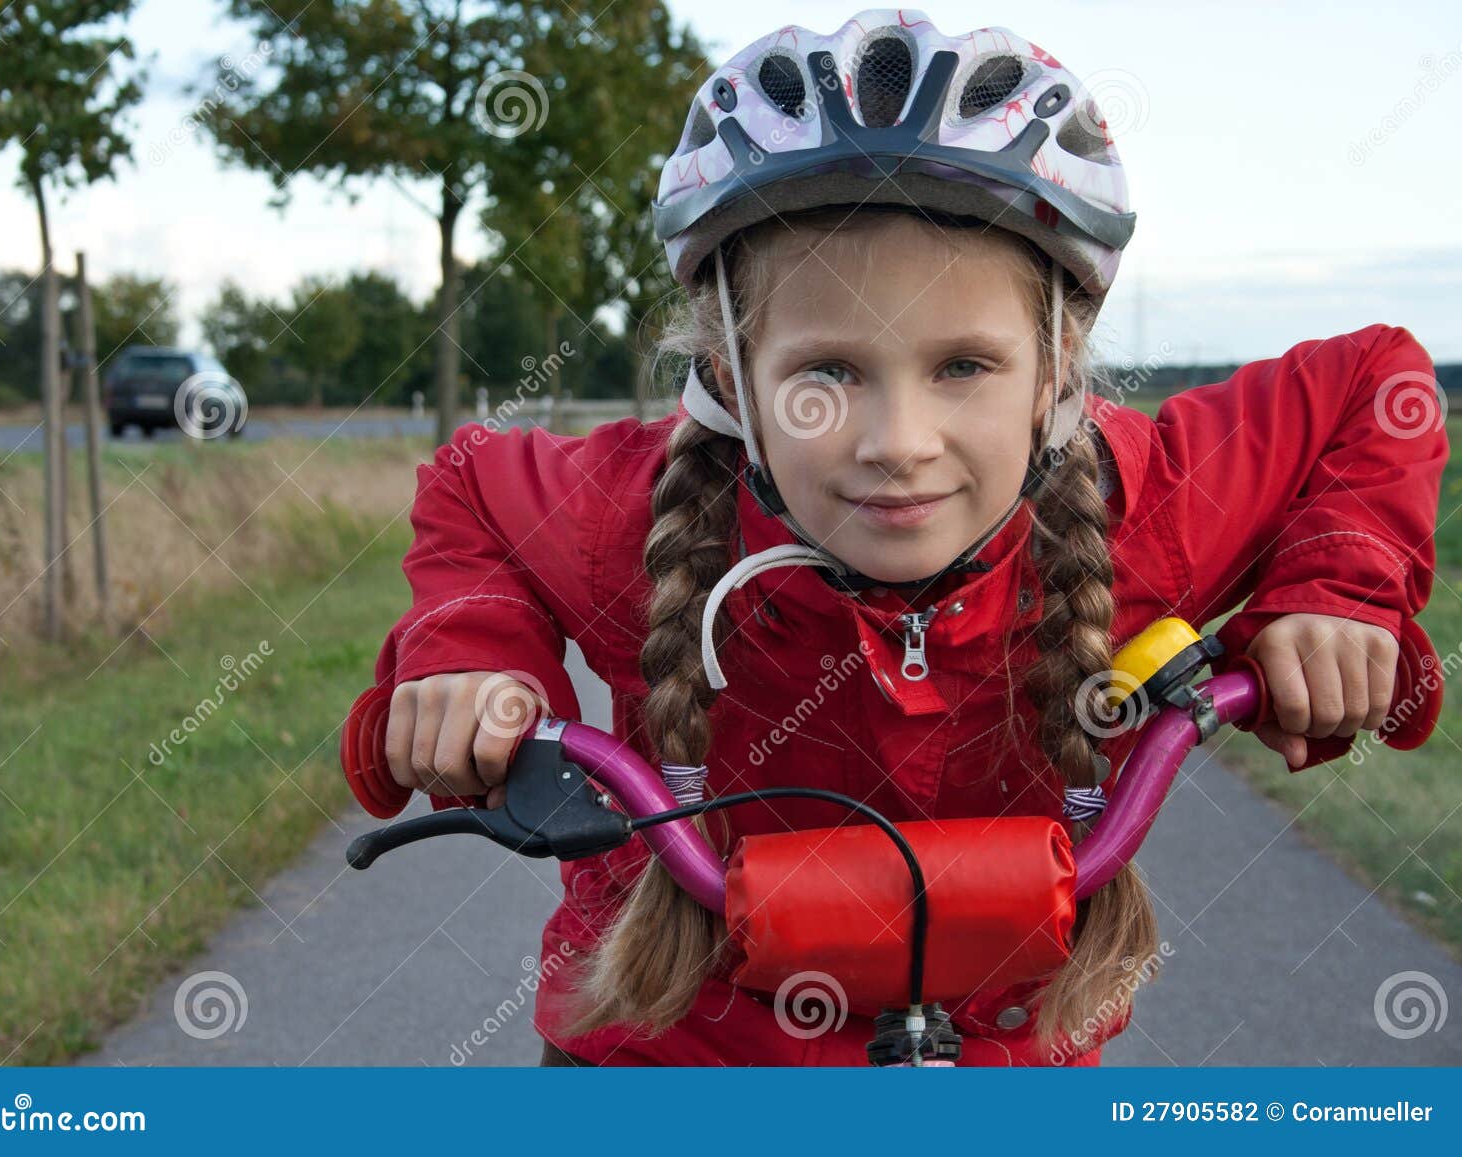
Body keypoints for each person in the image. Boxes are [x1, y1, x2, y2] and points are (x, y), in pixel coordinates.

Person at [368, 9, 1448, 1066]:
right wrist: (470, 656)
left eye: (964, 368)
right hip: (670, 1053)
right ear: (730, 373)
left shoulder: (1145, 507)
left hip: (1001, 1060)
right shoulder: (623, 515)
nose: (899, 443)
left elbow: (1377, 382)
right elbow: (472, 483)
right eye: (827, 372)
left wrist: (1333, 591)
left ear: (1057, 364)